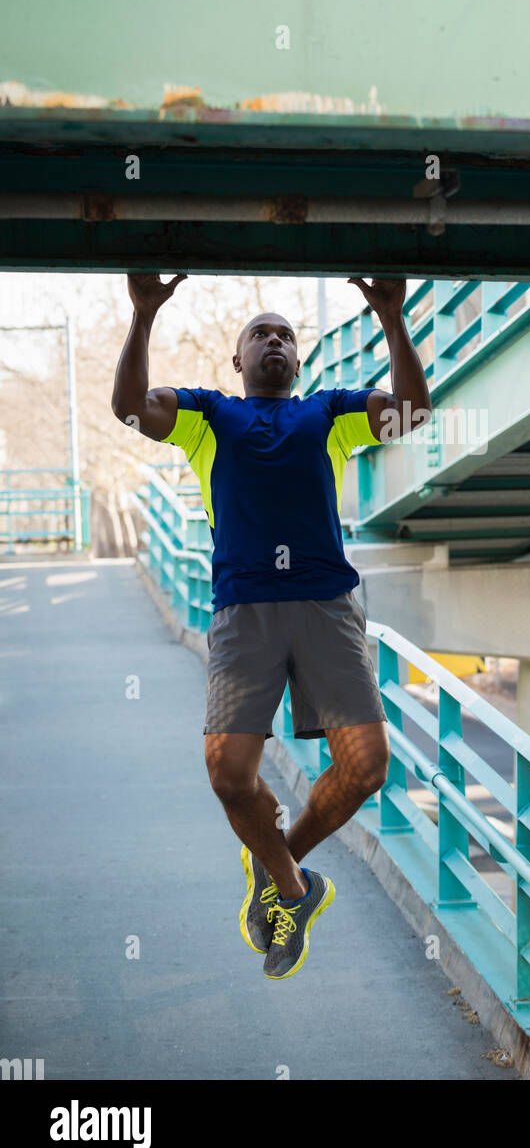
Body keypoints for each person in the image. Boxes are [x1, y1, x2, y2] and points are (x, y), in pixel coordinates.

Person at [111, 273, 430, 979]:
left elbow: (409, 413)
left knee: (366, 766)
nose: (275, 341)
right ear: (238, 359)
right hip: (242, 613)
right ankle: (294, 888)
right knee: (228, 774)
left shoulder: (331, 412)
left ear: (298, 358)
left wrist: (391, 318)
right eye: (261, 333)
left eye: (286, 334)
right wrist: (142, 316)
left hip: (326, 608)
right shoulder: (207, 416)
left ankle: (276, 866)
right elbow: (131, 408)